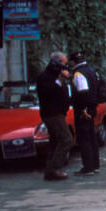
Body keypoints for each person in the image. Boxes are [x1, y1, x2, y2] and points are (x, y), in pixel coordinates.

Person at [37, 51, 75, 179]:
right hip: (52, 113)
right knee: (66, 139)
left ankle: (50, 170)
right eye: (63, 63)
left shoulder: (55, 75)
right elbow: (48, 92)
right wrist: (60, 80)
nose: (65, 66)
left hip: (58, 112)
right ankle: (54, 168)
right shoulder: (45, 76)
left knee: (55, 141)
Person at [68, 51, 100, 175]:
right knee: (92, 136)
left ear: (73, 61)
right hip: (92, 107)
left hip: (84, 110)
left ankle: (88, 167)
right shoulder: (91, 70)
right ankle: (95, 165)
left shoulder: (78, 73)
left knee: (84, 138)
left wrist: (83, 109)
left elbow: (82, 91)